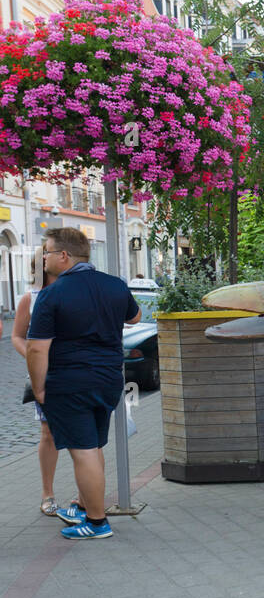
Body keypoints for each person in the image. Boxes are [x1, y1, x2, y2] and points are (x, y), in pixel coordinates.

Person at [26, 228, 141, 540]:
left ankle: (97, 521)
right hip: (108, 379)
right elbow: (135, 317)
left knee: (83, 451)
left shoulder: (53, 294)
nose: (43, 257)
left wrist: (38, 389)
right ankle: (85, 505)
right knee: (93, 446)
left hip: (69, 381)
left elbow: (37, 348)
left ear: (64, 256)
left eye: (47, 251)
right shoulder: (115, 285)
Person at [11, 252, 83, 517]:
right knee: (48, 434)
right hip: (45, 376)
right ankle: (47, 493)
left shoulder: (75, 294)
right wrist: (34, 354)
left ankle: (85, 494)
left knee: (83, 434)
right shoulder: (31, 299)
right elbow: (18, 336)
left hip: (77, 373)